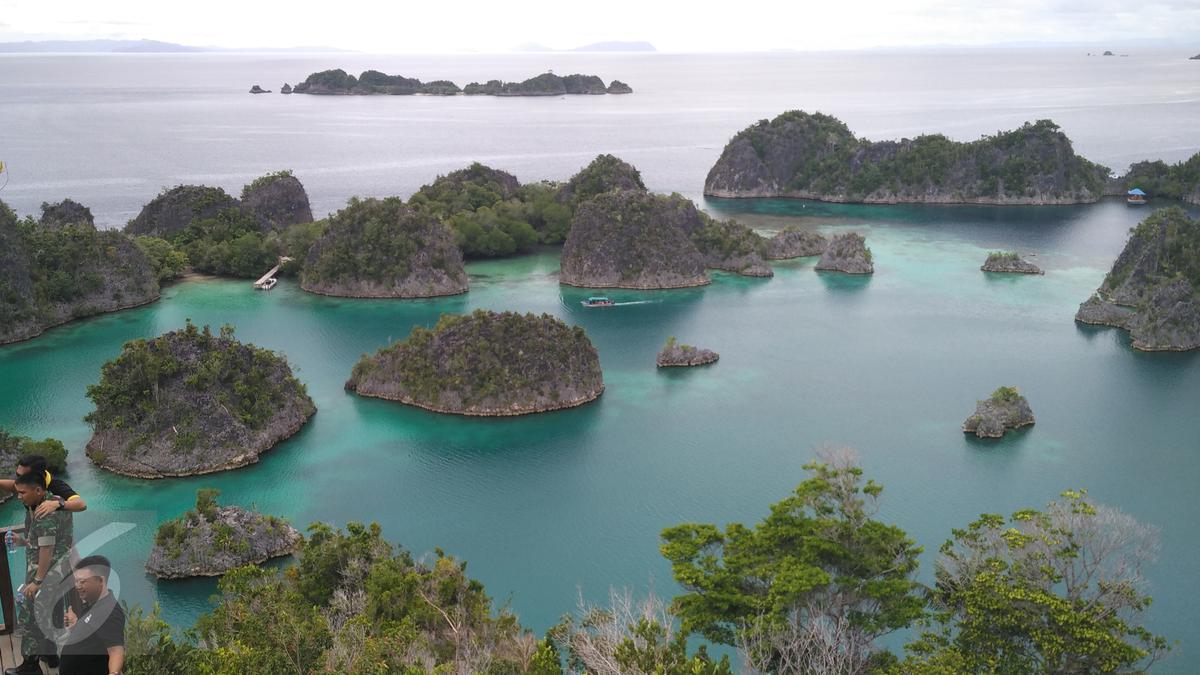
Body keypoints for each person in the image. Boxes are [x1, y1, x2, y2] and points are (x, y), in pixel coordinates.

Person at [5, 470, 74, 675]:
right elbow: (48, 542)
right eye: (17, 492)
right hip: (56, 571)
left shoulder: (45, 513)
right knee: (48, 614)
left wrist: (37, 581)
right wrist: (23, 542)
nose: (19, 497)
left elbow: (47, 549)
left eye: (22, 493)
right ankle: (50, 655)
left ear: (38, 490)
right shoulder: (50, 502)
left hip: (45, 575)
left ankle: (30, 666)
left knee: (30, 618)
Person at [60, 555, 125, 675]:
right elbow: (94, 635)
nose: (77, 586)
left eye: (82, 581)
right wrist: (76, 625)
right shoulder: (93, 602)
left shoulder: (110, 611)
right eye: (76, 581)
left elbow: (116, 650)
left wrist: (114, 673)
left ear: (100, 581)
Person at [0, 454, 88, 519]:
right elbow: (13, 485)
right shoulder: (25, 484)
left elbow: (81, 504)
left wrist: (57, 504)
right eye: (17, 475)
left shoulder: (56, 486)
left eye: (22, 477)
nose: (18, 479)